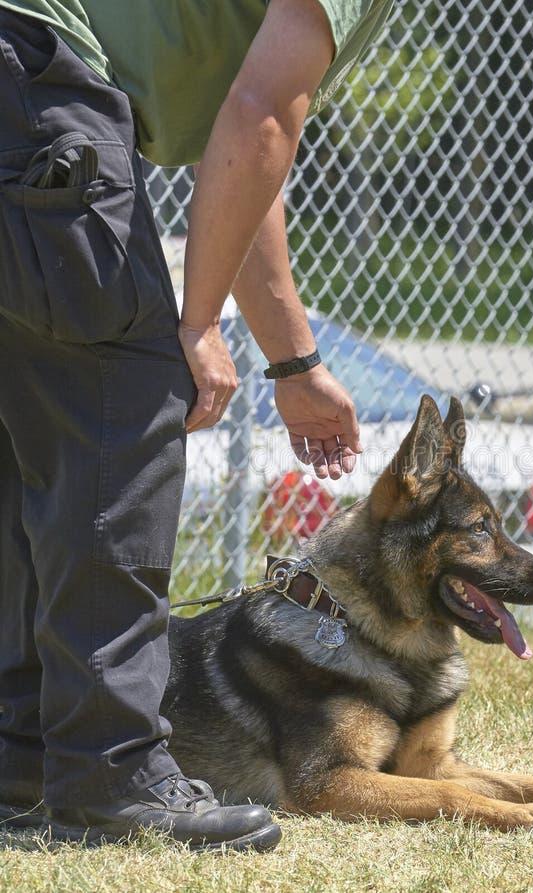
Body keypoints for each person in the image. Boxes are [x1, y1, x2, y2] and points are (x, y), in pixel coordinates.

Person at [0, 0, 391, 850]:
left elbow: (248, 145)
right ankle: (113, 773)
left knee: (30, 418)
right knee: (123, 404)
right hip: (35, 71)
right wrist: (197, 323)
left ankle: (20, 753)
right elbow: (259, 119)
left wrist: (293, 363)